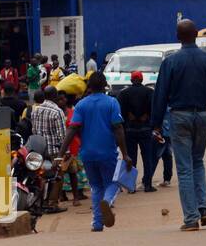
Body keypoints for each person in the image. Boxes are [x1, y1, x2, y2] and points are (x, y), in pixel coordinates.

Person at [151, 19, 206, 232]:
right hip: (202, 115)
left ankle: (191, 218)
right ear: (197, 34)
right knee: (198, 161)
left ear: (177, 37)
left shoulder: (170, 62)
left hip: (179, 116)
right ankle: (203, 208)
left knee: (183, 169)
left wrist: (155, 124)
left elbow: (160, 94)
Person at [62, 72, 129, 232]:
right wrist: (125, 154)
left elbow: (73, 128)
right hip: (107, 152)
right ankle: (108, 201)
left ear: (89, 87)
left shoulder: (81, 105)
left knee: (96, 187)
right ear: (105, 85)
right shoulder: (112, 103)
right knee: (113, 183)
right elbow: (118, 128)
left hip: (87, 154)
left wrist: (60, 153)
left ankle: (97, 223)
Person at [28, 87, 69, 211]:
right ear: (55, 96)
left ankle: (39, 202)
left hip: (39, 149)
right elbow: (62, 136)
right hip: (54, 151)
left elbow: (34, 130)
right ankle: (52, 203)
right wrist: (65, 153)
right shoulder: (57, 111)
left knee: (41, 176)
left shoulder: (35, 110)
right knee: (58, 176)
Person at [118, 70, 159, 191]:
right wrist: (147, 115)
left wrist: (128, 116)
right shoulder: (149, 92)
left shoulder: (124, 93)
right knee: (147, 158)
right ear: (142, 80)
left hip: (130, 129)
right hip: (145, 128)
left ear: (131, 80)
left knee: (131, 158)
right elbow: (154, 108)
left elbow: (120, 111)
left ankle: (131, 186)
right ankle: (148, 185)